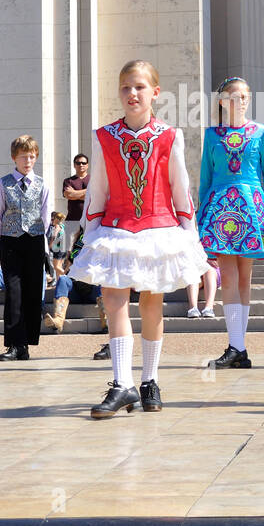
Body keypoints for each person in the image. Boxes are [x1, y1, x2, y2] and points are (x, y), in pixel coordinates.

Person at [69, 60, 208, 418]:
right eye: (127, 87)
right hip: (116, 226)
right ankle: (121, 383)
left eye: (140, 87)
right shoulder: (104, 137)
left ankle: (149, 380)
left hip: (158, 228)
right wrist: (90, 228)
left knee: (151, 303)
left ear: (155, 93)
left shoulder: (169, 135)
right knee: (113, 298)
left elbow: (180, 186)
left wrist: (189, 235)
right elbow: (97, 187)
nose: (133, 94)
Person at [196, 77, 264, 369]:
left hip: (252, 207)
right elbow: (206, 178)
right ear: (222, 101)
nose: (241, 101)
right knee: (230, 277)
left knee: (245, 278)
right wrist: (200, 214)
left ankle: (239, 346)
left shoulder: (262, 133)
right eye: (234, 96)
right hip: (221, 208)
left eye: (245, 96)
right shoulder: (212, 135)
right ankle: (236, 345)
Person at [0, 135, 51, 362]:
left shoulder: (42, 183)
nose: (28, 161)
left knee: (33, 293)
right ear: (14, 158)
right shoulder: (3, 183)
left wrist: (44, 248)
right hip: (11, 240)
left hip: (34, 240)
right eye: (24, 156)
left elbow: (45, 216)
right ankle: (14, 343)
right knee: (14, 293)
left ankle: (27, 343)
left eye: (32, 156)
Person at [62, 154, 90, 248]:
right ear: (74, 165)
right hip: (72, 220)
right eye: (78, 163)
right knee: (67, 250)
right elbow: (69, 195)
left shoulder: (93, 180)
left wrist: (75, 194)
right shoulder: (68, 181)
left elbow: (94, 196)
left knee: (85, 250)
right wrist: (88, 192)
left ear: (87, 165)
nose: (81, 165)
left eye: (83, 163)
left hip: (89, 221)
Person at [48, 211, 68, 281]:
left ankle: (69, 278)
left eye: (52, 219)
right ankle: (59, 284)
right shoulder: (62, 226)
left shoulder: (57, 227)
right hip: (63, 248)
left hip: (58, 249)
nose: (51, 221)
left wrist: (50, 245)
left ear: (56, 219)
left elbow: (54, 237)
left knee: (56, 267)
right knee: (59, 268)